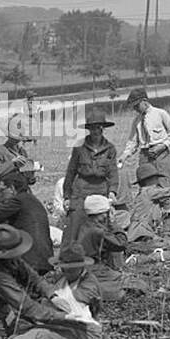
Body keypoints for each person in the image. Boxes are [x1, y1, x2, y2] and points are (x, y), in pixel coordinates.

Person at [0, 225, 101, 339]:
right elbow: (27, 308)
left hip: (7, 314)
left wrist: (52, 295)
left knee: (43, 331)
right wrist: (66, 316)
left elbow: (34, 278)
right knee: (40, 334)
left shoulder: (11, 260)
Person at [0, 167, 54, 273]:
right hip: (44, 258)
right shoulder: (32, 201)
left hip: (29, 260)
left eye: (2, 190)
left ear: (12, 188)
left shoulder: (18, 201)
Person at [62, 104, 119, 244]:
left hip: (100, 189)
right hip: (81, 189)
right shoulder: (79, 147)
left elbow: (113, 172)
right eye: (93, 128)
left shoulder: (110, 148)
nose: (96, 131)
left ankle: (102, 254)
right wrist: (67, 196)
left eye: (99, 127)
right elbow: (71, 171)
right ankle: (71, 253)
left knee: (102, 222)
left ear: (103, 129)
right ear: (89, 130)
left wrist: (112, 192)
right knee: (75, 221)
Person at [119, 88, 170, 187]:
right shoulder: (136, 121)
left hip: (161, 154)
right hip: (145, 155)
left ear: (145, 101)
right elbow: (133, 142)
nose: (135, 109)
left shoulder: (160, 113)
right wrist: (124, 156)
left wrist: (163, 145)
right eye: (133, 107)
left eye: (137, 105)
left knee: (165, 182)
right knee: (146, 183)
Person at [126, 162, 170, 247]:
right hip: (140, 234)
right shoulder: (148, 192)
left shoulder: (150, 198)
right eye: (155, 178)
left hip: (145, 233)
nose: (157, 181)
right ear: (149, 180)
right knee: (168, 246)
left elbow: (164, 214)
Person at [78, 194, 130, 301]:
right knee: (132, 283)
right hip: (94, 269)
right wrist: (113, 223)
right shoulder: (97, 230)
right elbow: (121, 244)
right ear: (102, 214)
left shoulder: (82, 224)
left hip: (80, 269)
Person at [44, 241, 104, 318]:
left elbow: (76, 299)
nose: (67, 273)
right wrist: (51, 295)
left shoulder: (90, 282)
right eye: (65, 269)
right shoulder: (60, 276)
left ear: (81, 267)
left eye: (72, 270)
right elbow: (42, 285)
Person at [0, 113, 36, 196]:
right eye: (17, 140)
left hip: (23, 192)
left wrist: (31, 174)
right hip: (7, 192)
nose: (21, 143)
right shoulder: (0, 150)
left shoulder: (23, 152)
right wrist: (12, 163)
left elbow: (29, 180)